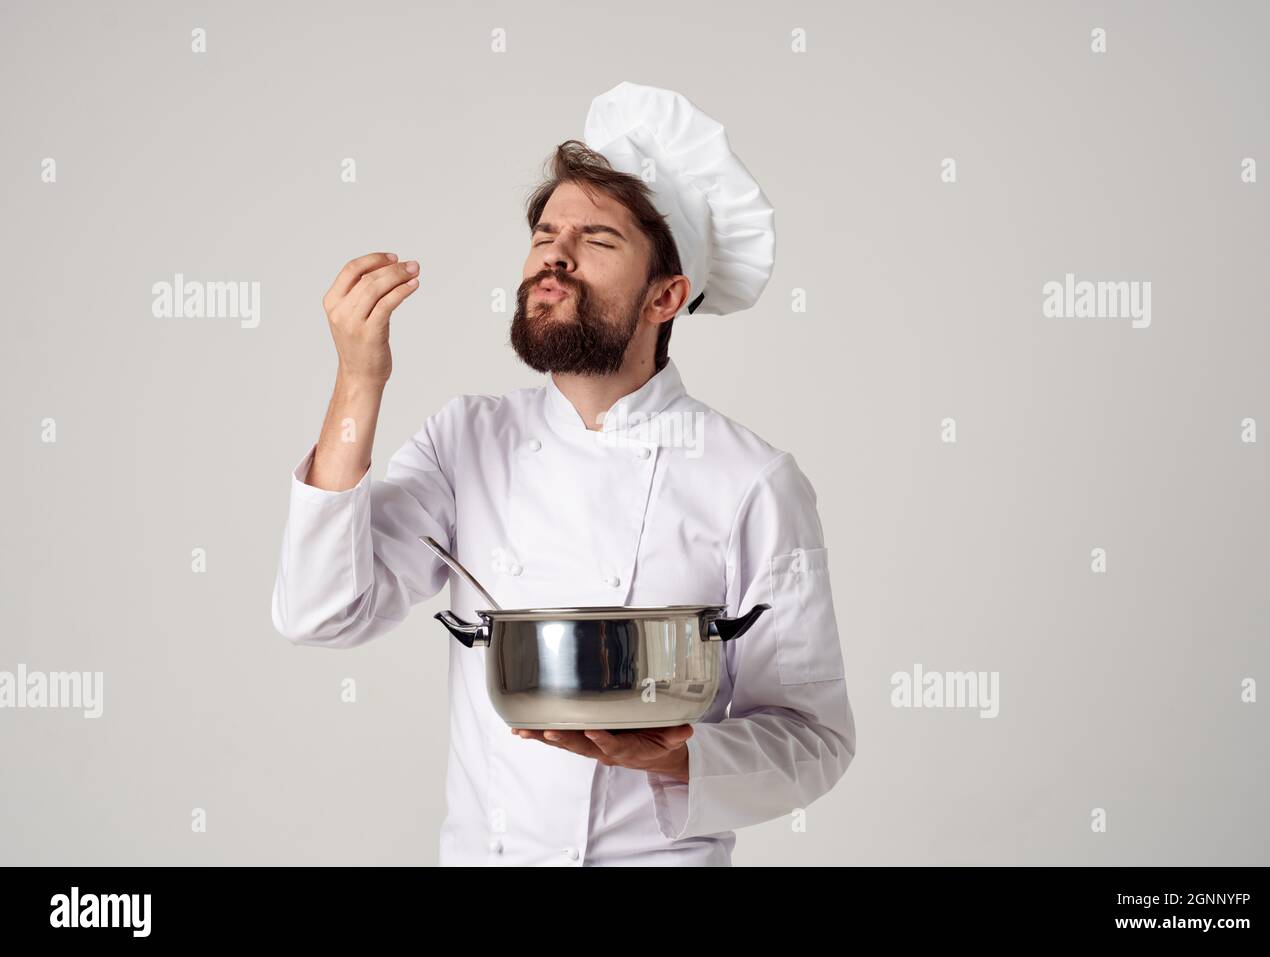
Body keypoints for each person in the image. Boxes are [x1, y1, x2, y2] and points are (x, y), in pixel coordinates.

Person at [271, 81, 855, 866]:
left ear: (666, 295)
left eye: (597, 240)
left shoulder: (750, 479)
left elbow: (813, 738)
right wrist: (358, 381)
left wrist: (675, 755)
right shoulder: (467, 439)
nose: (555, 254)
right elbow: (320, 611)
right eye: (546, 232)